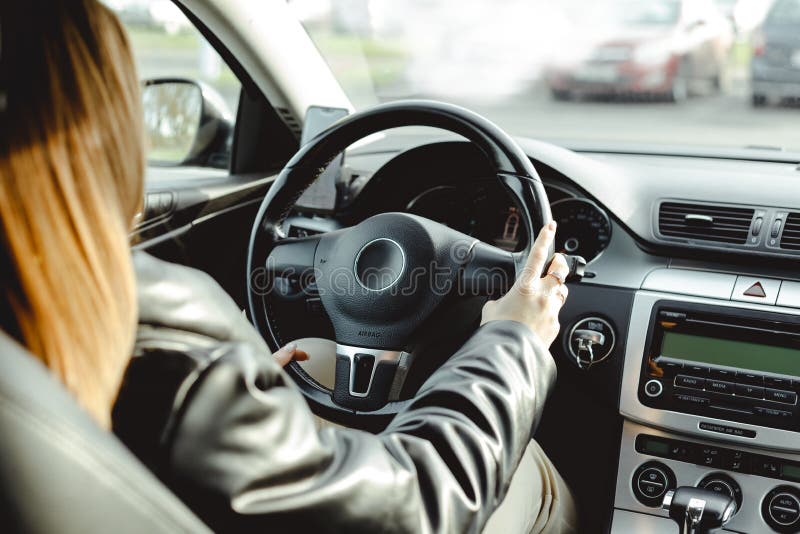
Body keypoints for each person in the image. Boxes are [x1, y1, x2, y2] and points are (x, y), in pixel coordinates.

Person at [0, 1, 577, 532]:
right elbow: (421, 504)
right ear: (104, 140)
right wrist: (513, 340)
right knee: (532, 474)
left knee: (317, 360)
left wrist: (238, 404)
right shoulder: (159, 332)